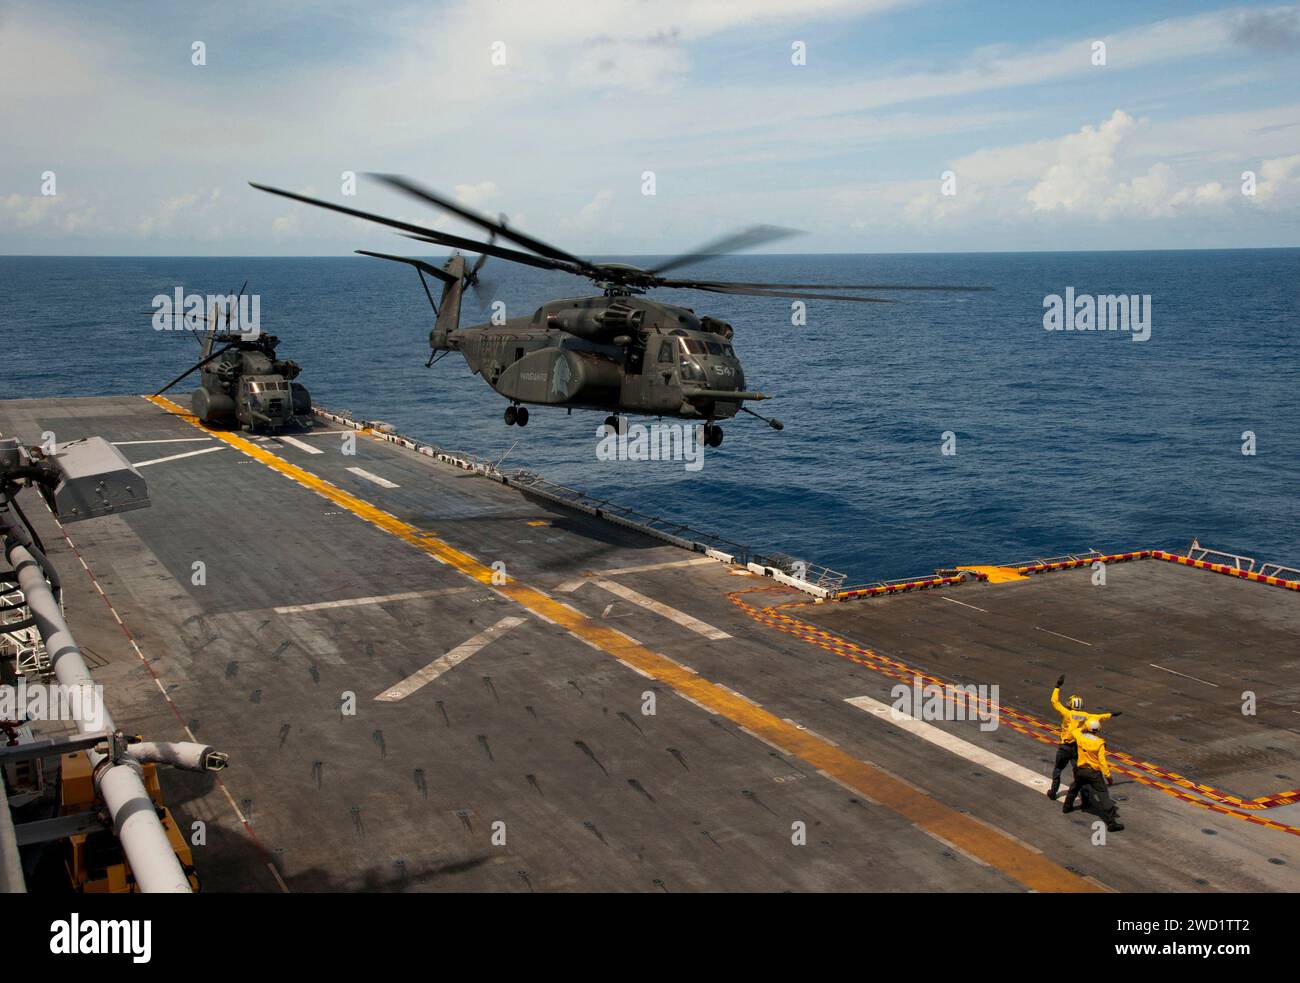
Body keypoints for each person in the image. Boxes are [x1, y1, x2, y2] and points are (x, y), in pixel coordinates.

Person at [1047, 674, 1120, 799]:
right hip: (1077, 747)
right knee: (1078, 772)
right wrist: (1111, 714)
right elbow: (1099, 717)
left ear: (1070, 704)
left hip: (1064, 747)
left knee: (1058, 769)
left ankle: (1053, 792)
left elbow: (1054, 701)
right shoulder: (1086, 715)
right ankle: (1085, 794)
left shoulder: (1067, 713)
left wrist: (1057, 686)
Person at [1062, 717, 1124, 831]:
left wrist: (1083, 726)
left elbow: (1074, 730)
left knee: (1074, 788)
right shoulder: (1099, 743)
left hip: (1080, 770)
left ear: (1087, 728)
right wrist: (1108, 776)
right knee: (1103, 795)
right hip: (1094, 773)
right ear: (1098, 730)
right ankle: (1111, 823)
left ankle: (1067, 807)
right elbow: (1102, 762)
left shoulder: (1080, 737)